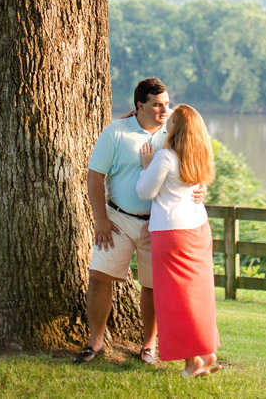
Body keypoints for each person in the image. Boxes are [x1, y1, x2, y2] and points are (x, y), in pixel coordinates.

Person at [74, 76, 171, 365]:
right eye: (156, 105)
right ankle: (96, 341)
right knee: (99, 277)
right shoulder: (116, 132)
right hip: (117, 220)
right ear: (139, 106)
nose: (164, 111)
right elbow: (95, 176)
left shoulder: (172, 134)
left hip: (157, 223)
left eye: (166, 104)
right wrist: (100, 219)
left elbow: (193, 163)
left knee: (152, 286)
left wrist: (200, 186)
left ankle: (148, 346)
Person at [136, 104, 220, 378]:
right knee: (198, 295)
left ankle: (191, 361)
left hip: (172, 233)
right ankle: (207, 352)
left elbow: (145, 192)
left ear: (176, 129)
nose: (165, 123)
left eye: (169, 121)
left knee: (174, 299)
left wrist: (145, 167)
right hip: (198, 229)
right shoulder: (200, 155)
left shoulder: (165, 157)